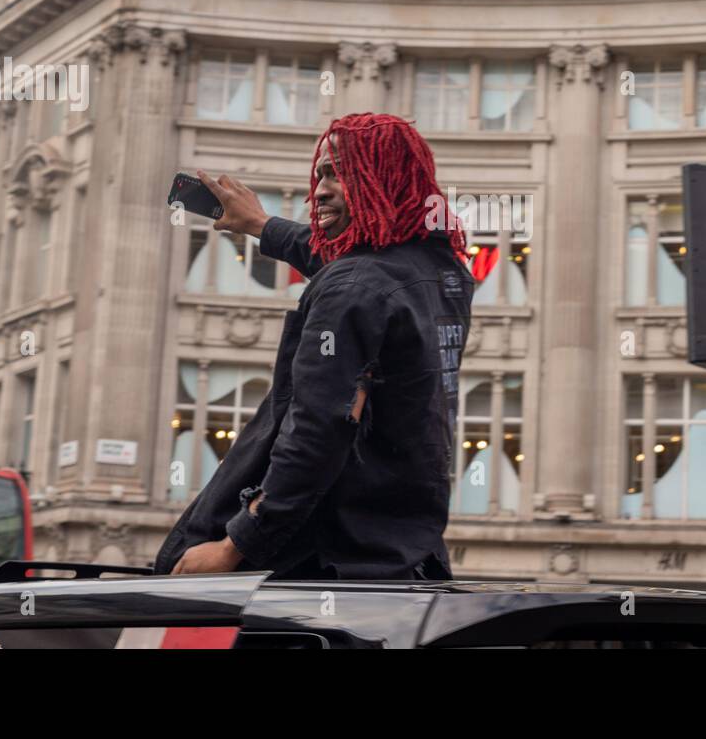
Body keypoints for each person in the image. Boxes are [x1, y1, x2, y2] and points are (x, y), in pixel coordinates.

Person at [153, 113, 474, 581]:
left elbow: (316, 433)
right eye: (320, 173)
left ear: (384, 179)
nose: (319, 190)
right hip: (400, 556)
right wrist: (261, 225)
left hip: (317, 564)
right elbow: (355, 261)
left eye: (339, 173)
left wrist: (235, 544)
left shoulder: (354, 287)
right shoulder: (443, 275)